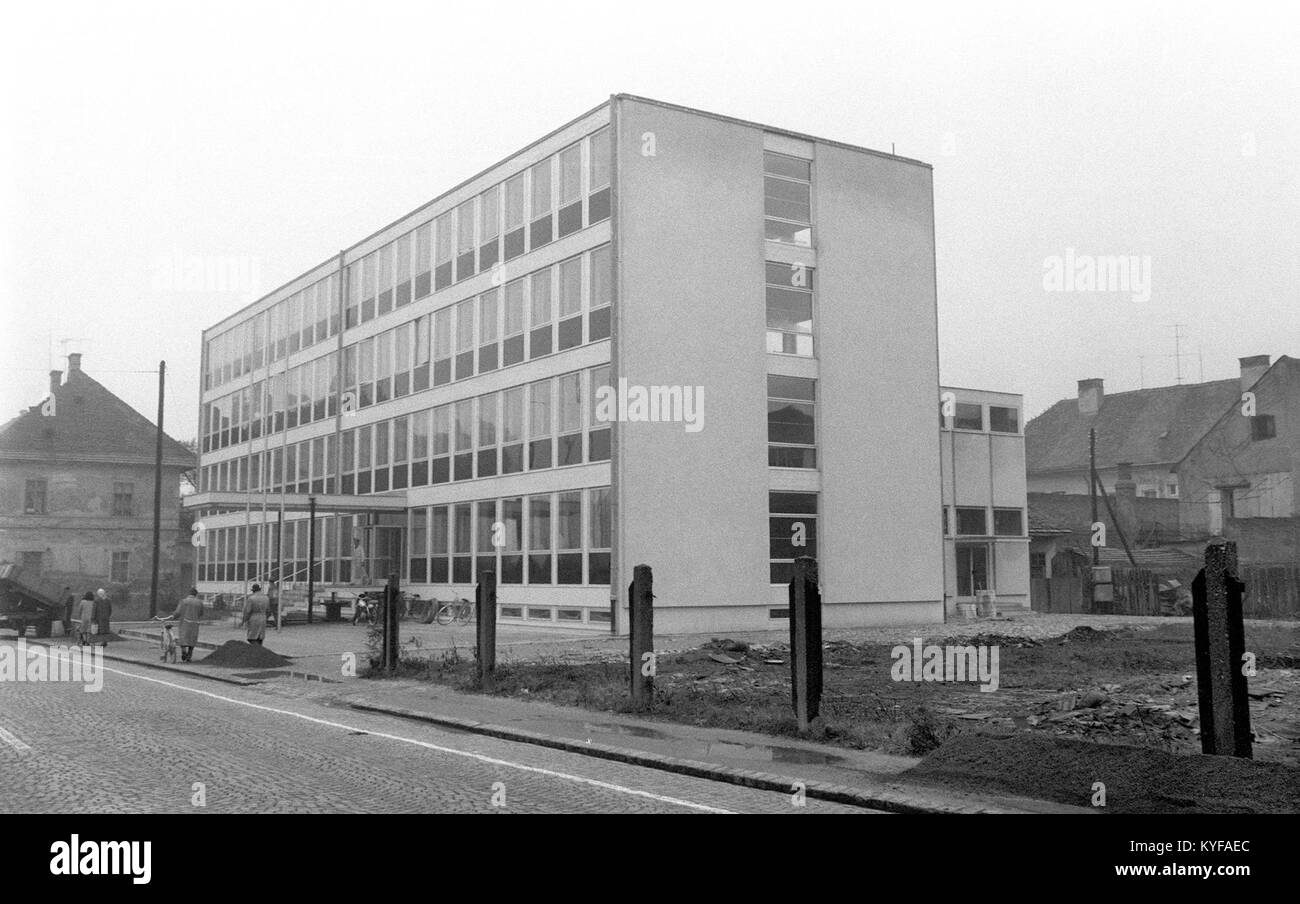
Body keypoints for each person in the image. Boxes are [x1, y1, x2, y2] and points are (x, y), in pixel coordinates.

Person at [163, 588, 204, 662]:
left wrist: (173, 616)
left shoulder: (183, 601)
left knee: (183, 638)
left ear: (189, 593)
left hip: (185, 623)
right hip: (195, 623)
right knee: (192, 639)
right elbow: (201, 613)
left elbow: (178, 612)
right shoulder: (199, 602)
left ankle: (183, 651)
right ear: (196, 594)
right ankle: (189, 656)